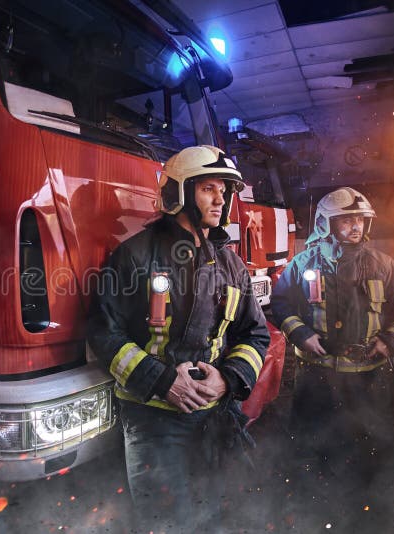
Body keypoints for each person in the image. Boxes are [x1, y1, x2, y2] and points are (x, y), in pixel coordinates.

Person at [87, 145, 270, 531]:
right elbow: (104, 334)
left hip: (216, 416)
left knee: (224, 516)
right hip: (153, 421)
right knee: (166, 522)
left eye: (224, 190)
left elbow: (254, 334)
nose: (221, 199)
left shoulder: (231, 265)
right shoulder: (134, 256)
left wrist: (228, 379)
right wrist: (164, 381)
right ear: (179, 194)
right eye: (208, 188)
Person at [270, 186, 394, 483]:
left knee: (367, 444)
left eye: (361, 220)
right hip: (316, 377)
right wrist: (301, 334)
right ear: (326, 224)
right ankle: (311, 499)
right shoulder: (303, 263)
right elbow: (281, 303)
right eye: (346, 220)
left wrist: (390, 341)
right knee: (311, 444)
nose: (356, 227)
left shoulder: (383, 265)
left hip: (368, 377)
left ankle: (363, 505)